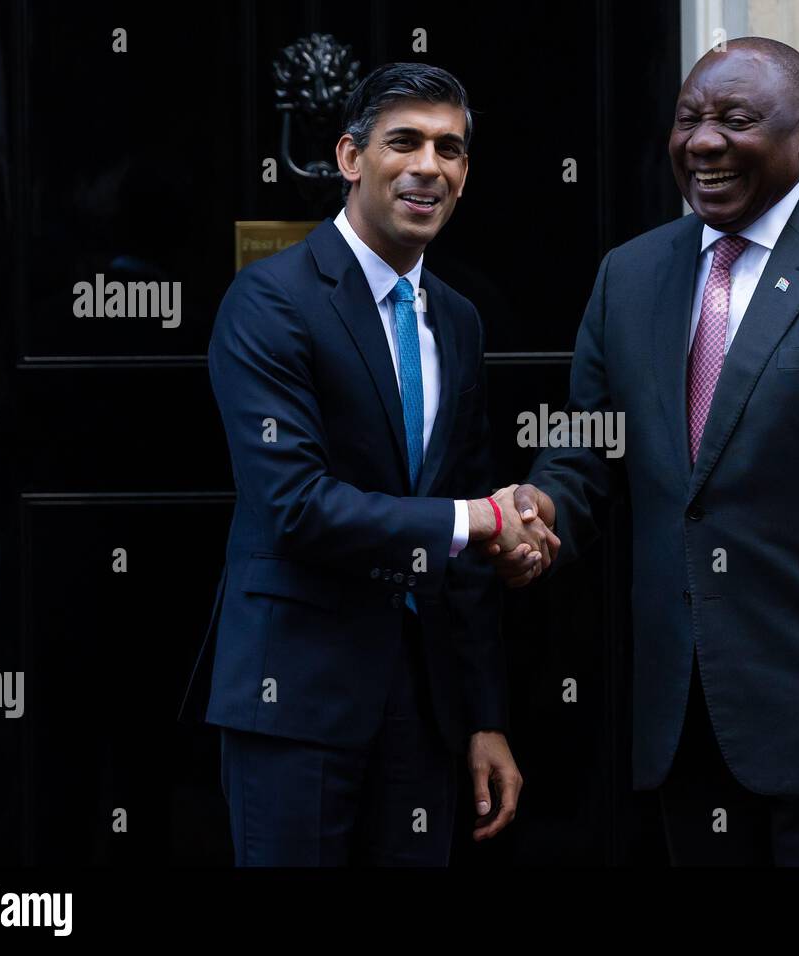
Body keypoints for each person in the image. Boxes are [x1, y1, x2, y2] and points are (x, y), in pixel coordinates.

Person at [491, 37, 799, 866]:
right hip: (687, 714)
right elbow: (589, 448)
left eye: (735, 119)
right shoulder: (630, 273)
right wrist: (540, 509)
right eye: (689, 119)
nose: (703, 141)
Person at [178, 62, 548, 865]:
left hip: (426, 706)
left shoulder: (458, 319)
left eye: (449, 150)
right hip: (297, 698)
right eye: (403, 142)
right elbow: (295, 504)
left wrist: (485, 714)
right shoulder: (271, 300)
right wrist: (478, 520)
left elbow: (469, 525)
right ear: (350, 157)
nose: (428, 166)